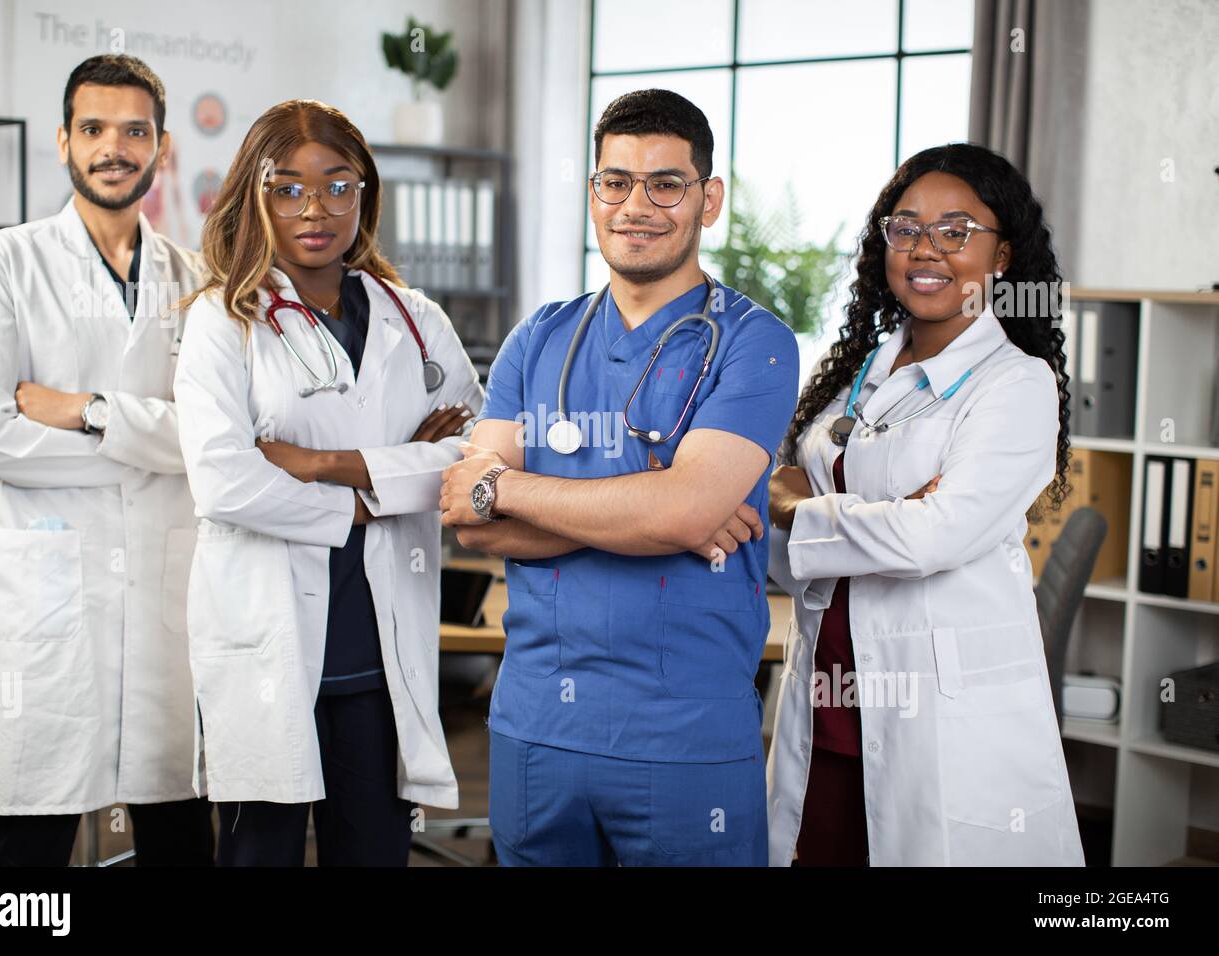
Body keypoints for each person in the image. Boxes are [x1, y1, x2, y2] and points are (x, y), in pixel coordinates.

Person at [439, 89, 799, 866]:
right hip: (537, 730)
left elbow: (676, 515)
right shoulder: (538, 338)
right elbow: (467, 518)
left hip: (685, 737)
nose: (637, 205)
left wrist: (505, 486)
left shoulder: (755, 343)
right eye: (615, 182)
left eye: (666, 183)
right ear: (594, 193)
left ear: (709, 200)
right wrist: (654, 508)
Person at [174, 99, 483, 866]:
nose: (315, 208)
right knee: (260, 858)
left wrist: (323, 465)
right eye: (287, 187)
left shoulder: (414, 320)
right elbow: (224, 482)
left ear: (364, 195)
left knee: (374, 853)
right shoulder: (223, 321)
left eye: (338, 186)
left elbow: (478, 456)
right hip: (267, 641)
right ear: (256, 196)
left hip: (379, 652)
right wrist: (381, 485)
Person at [765, 142, 1084, 866]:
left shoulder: (1015, 385)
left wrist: (807, 508)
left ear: (1002, 257)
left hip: (938, 717)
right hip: (827, 694)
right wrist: (882, 512)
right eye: (905, 228)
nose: (925, 249)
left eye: (956, 231)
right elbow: (792, 531)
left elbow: (934, 538)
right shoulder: (855, 371)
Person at [0, 54, 213, 866]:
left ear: (161, 149)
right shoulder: (6, 263)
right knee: (27, 861)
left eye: (136, 131)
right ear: (64, 140)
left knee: (177, 838)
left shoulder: (196, 278)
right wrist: (149, 445)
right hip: (50, 609)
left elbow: (208, 440)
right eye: (94, 128)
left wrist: (85, 414)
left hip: (164, 610)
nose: (114, 147)